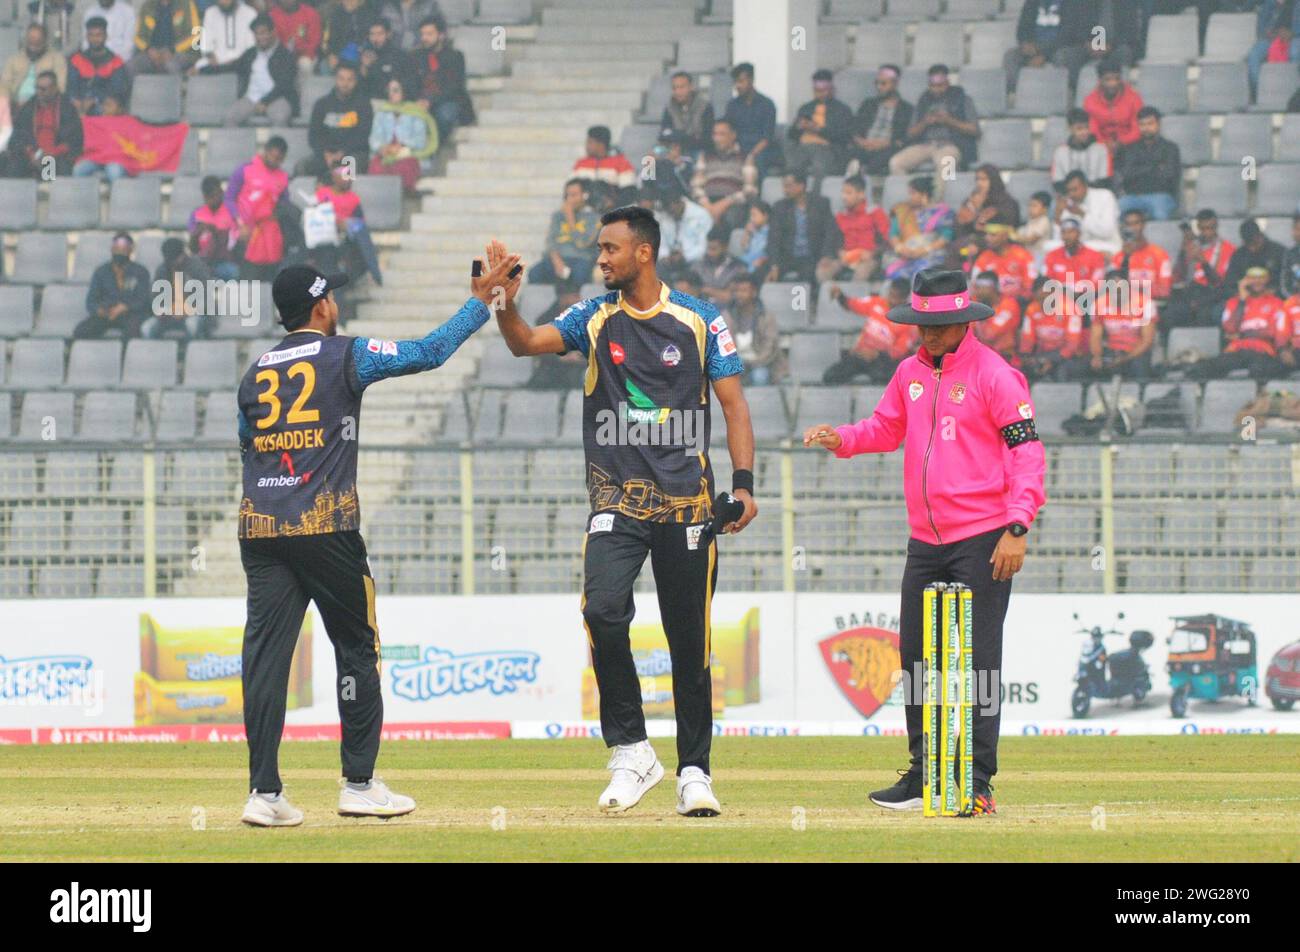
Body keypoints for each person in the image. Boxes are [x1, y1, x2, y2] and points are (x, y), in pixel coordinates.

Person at [235, 250, 520, 826]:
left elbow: (248, 442)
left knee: (265, 659)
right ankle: (359, 784)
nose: (336, 305)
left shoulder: (255, 370)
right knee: (357, 649)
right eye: (331, 298)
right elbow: (428, 353)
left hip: (261, 527)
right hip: (327, 527)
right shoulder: (346, 354)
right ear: (320, 307)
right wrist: (483, 301)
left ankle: (264, 794)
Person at [489, 207, 757, 818]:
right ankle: (633, 750)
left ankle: (695, 771)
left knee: (689, 643)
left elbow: (735, 406)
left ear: (644, 253)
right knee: (603, 610)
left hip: (689, 504)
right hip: (617, 500)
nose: (600, 258)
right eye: (598, 248)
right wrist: (502, 300)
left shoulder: (699, 319)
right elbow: (525, 343)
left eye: (610, 248)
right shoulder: (593, 316)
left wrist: (742, 485)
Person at [804, 268, 1045, 816]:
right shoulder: (909, 372)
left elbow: (1026, 454)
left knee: (978, 662)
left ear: (964, 320)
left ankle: (977, 782)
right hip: (925, 540)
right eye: (922, 324)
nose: (929, 335)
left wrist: (1017, 525)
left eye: (940, 325)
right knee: (915, 661)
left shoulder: (996, 375)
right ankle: (924, 774)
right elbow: (886, 428)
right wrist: (842, 438)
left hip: (984, 536)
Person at [1188, 267, 1289, 381]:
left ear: (1267, 280)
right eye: (1252, 278)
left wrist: (1242, 335)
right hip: (1236, 350)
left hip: (1262, 351)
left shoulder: (1277, 303)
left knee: (1260, 369)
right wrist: (1242, 300)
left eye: (1261, 278)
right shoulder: (1233, 302)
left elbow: (1272, 333)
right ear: (1245, 281)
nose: (1257, 281)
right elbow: (1230, 329)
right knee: (1204, 368)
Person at [889, 64, 979, 179]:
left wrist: (949, 121)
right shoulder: (923, 101)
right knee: (895, 163)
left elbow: (975, 130)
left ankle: (944, 197)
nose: (936, 89)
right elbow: (910, 133)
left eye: (940, 85)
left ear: (948, 82)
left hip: (952, 145)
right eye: (933, 86)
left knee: (947, 165)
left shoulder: (963, 99)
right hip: (925, 145)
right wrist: (925, 122)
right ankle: (914, 196)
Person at [821, 278, 916, 384]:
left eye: (897, 298)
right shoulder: (876, 302)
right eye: (891, 295)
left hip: (882, 362)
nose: (892, 300)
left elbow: (899, 352)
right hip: (860, 354)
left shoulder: (909, 322)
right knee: (830, 376)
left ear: (905, 298)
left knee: (884, 380)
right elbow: (852, 304)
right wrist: (840, 296)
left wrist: (877, 354)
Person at [225, 136, 290, 280]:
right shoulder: (245, 170)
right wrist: (240, 224)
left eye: (279, 159)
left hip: (269, 237)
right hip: (245, 234)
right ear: (265, 151)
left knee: (268, 280)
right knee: (249, 281)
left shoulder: (283, 177)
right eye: (273, 156)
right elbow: (229, 199)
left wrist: (277, 215)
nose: (275, 161)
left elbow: (285, 204)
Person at [217, 15, 300, 127]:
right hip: (251, 98)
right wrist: (200, 69)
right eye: (257, 34)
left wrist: (265, 101)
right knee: (228, 118)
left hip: (277, 98)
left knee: (280, 117)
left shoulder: (285, 55)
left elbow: (285, 84)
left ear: (273, 32)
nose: (260, 37)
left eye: (264, 33)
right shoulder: (250, 54)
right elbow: (230, 67)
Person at [766, 171, 842, 284]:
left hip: (811, 256)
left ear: (801, 186)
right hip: (787, 256)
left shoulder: (821, 204)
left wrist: (826, 255)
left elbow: (830, 232)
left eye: (788, 186)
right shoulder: (779, 207)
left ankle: (800, 302)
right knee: (762, 273)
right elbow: (773, 238)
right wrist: (774, 264)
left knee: (805, 279)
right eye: (784, 186)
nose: (785, 190)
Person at [1082, 267, 1157, 380]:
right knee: (1087, 365)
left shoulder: (1145, 304)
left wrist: (1125, 358)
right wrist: (1097, 356)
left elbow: (1147, 341)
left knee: (1139, 365)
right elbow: (1095, 337)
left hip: (1135, 351)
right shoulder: (1098, 304)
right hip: (1111, 350)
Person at [1165, 209, 1236, 329]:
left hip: (1213, 294)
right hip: (1191, 290)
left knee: (1204, 314)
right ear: (1198, 227)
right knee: (1171, 313)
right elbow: (1178, 277)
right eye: (1203, 229)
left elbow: (1220, 284)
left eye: (1211, 228)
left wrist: (1203, 262)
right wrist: (1183, 252)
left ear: (1216, 226)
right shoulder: (1191, 245)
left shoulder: (1227, 249)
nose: (1207, 232)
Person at [4, 70, 81, 178]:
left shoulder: (67, 108)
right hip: (31, 153)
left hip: (56, 154)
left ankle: (47, 192)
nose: (39, 92)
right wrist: (32, 154)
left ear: (54, 88)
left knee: (51, 166)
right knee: (13, 166)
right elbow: (18, 135)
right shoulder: (28, 108)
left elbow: (74, 138)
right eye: (37, 88)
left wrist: (51, 153)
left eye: (43, 89)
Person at [785, 68, 854, 190]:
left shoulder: (842, 110)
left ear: (831, 89)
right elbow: (791, 135)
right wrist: (799, 127)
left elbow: (844, 136)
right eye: (817, 91)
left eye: (824, 90)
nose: (820, 94)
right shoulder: (806, 108)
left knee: (819, 167)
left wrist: (818, 129)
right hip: (803, 147)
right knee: (792, 166)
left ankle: (814, 202)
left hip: (826, 148)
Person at [74, 232, 152, 339]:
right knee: (82, 331)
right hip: (107, 314)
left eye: (123, 249)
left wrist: (125, 307)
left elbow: (143, 300)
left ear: (130, 250)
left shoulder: (140, 271)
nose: (119, 252)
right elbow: (91, 301)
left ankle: (127, 355)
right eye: (117, 249)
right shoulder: (101, 272)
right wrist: (100, 310)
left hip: (130, 314)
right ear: (112, 249)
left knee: (134, 331)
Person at [412, 14, 473, 145]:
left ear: (441, 35)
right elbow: (411, 83)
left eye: (429, 34)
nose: (424, 38)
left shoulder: (455, 56)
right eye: (422, 34)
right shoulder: (415, 56)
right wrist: (419, 100)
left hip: (447, 100)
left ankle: (432, 149)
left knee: (444, 115)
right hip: (422, 100)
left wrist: (431, 101)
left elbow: (455, 87)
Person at [368, 76, 437, 192]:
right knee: (377, 167)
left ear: (404, 91)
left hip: (409, 154)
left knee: (403, 167)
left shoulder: (416, 112)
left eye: (395, 90)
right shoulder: (382, 112)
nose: (391, 94)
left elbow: (420, 141)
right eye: (389, 91)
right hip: (386, 153)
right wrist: (383, 147)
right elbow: (374, 138)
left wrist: (401, 145)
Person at [690, 118, 756, 232]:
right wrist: (707, 205)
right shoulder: (705, 156)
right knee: (694, 217)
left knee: (730, 218)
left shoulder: (746, 157)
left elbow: (750, 190)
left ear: (733, 135)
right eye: (715, 134)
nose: (717, 139)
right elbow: (695, 185)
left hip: (732, 204)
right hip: (707, 202)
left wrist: (724, 203)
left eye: (722, 134)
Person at [1114, 107, 1180, 221]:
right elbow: (1127, 175)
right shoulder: (1129, 149)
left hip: (1161, 195)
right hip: (1134, 196)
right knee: (1117, 210)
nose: (1146, 128)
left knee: (1160, 214)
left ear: (1158, 124)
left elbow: (1169, 176)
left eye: (1150, 124)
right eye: (1142, 124)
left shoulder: (1170, 148)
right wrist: (1155, 166)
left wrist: (1140, 170)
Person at [143, 236, 215, 339]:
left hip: (194, 314)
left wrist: (187, 310)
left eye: (175, 259)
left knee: (192, 325)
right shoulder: (162, 270)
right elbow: (155, 296)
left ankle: (191, 354)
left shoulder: (197, 267)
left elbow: (206, 298)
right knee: (147, 328)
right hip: (168, 317)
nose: (172, 263)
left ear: (182, 255)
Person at [532, 177, 599, 285]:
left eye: (573, 195)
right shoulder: (558, 216)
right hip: (557, 258)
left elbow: (582, 243)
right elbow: (550, 241)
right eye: (567, 195)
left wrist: (570, 218)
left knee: (579, 275)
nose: (569, 199)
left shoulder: (594, 218)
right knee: (534, 273)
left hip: (580, 259)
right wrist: (557, 261)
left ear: (585, 196)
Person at [885, 175, 953, 280]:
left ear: (924, 195)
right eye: (909, 193)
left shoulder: (942, 213)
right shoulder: (904, 211)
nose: (910, 197)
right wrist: (900, 248)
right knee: (894, 272)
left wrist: (924, 249)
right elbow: (893, 233)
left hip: (930, 253)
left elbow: (946, 237)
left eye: (913, 193)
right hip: (906, 255)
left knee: (922, 274)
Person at [525, 276, 587, 390]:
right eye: (573, 296)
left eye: (577, 296)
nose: (577, 300)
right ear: (562, 298)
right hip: (554, 366)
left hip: (580, 366)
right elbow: (540, 350)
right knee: (542, 380)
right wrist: (562, 358)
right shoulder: (544, 320)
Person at [851, 64, 913, 177]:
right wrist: (862, 141)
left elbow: (906, 138)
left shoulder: (906, 109)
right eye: (877, 83)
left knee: (884, 158)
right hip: (864, 145)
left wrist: (885, 144)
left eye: (883, 84)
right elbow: (854, 128)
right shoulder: (868, 104)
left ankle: (864, 174)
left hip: (888, 147)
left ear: (895, 84)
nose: (879, 87)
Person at [1018, 274, 1084, 381]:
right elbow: (1027, 340)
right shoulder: (1032, 309)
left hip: (1067, 357)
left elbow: (1072, 345)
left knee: (1060, 371)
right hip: (1042, 355)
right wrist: (1026, 358)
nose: (1044, 303)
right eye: (1040, 300)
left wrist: (1052, 361)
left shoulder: (1071, 308)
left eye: (1046, 298)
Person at [308, 63, 373, 169]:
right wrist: (325, 153)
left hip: (353, 153)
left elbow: (363, 136)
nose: (345, 83)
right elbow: (314, 135)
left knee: (349, 168)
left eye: (350, 79)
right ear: (335, 79)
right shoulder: (322, 104)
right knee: (302, 167)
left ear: (355, 81)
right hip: (325, 154)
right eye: (341, 79)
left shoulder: (363, 105)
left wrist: (343, 153)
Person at [722, 61, 777, 179]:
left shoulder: (767, 104)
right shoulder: (732, 105)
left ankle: (757, 196)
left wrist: (751, 155)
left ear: (751, 80)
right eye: (735, 82)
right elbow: (728, 130)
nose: (738, 86)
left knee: (757, 162)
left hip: (759, 149)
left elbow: (767, 138)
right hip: (738, 147)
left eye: (741, 81)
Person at [726, 271, 782, 385]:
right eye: (737, 291)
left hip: (761, 364)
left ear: (754, 292)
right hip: (737, 362)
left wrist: (752, 363)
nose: (739, 295)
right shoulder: (727, 316)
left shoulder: (766, 317)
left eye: (744, 291)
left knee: (760, 376)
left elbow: (770, 347)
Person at [67, 17, 129, 116]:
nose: (95, 39)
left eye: (98, 35)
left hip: (104, 107)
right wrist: (78, 102)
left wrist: (95, 99)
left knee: (113, 106)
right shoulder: (76, 60)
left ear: (106, 36)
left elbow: (118, 92)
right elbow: (71, 88)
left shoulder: (116, 61)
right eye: (91, 35)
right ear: (86, 37)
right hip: (80, 107)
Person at [832, 174, 889, 281]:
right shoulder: (840, 215)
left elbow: (886, 240)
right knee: (824, 271)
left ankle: (854, 297)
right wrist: (839, 251)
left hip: (869, 258)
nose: (844, 197)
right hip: (846, 258)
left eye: (848, 193)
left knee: (862, 272)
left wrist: (872, 253)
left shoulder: (875, 213)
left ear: (861, 194)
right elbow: (834, 240)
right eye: (843, 193)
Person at [1053, 170, 1121, 256]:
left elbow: (1107, 231)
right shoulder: (1069, 204)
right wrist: (1057, 217)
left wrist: (1082, 214)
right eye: (1069, 191)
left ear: (1085, 186)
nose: (1072, 194)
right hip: (1079, 252)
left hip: (1106, 247)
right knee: (1052, 248)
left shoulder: (1105, 196)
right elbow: (1060, 239)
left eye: (1075, 189)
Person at [1082, 59, 1143, 154]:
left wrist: (1122, 142)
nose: (1113, 83)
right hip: (1100, 146)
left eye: (1117, 78)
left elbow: (1137, 128)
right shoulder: (1090, 101)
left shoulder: (1134, 98)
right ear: (1100, 80)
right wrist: (1105, 144)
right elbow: (1093, 130)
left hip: (1129, 145)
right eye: (1108, 79)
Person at [1112, 209, 1171, 305]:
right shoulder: (1118, 257)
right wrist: (1126, 258)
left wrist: (1133, 289)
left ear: (1143, 225)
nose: (1133, 228)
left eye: (1136, 223)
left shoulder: (1159, 254)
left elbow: (1165, 290)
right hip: (1126, 308)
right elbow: (1113, 289)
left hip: (1152, 306)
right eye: (1128, 224)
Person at [0, 24, 67, 107]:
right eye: (31, 38)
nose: (33, 42)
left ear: (45, 40)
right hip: (15, 104)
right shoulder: (14, 59)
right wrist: (8, 102)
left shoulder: (56, 59)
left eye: (38, 39)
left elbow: (61, 87)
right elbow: (4, 84)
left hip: (43, 105)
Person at [130, 0, 201, 77]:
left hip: (181, 52)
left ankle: (180, 88)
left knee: (170, 65)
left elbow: (195, 35)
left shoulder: (186, 4)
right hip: (152, 52)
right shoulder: (147, 6)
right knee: (131, 66)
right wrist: (148, 49)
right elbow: (137, 36)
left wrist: (173, 50)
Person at [954, 163, 1021, 245]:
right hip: (970, 243)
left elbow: (1008, 226)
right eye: (977, 179)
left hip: (997, 244)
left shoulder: (1007, 202)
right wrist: (975, 208)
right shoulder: (971, 200)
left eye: (984, 179)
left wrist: (980, 210)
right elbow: (960, 225)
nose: (979, 183)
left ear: (993, 180)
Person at [1050, 108, 1112, 194]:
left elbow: (1105, 180)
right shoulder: (1060, 152)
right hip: (1069, 195)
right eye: (1079, 129)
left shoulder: (1101, 149)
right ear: (1070, 129)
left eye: (1087, 127)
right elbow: (1057, 182)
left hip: (1094, 195)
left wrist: (1083, 193)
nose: (1084, 132)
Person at [190, 174, 240, 281]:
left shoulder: (231, 212)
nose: (212, 200)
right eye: (208, 197)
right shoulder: (197, 214)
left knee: (235, 272)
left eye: (215, 195)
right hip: (203, 262)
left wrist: (216, 232)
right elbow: (192, 247)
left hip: (225, 261)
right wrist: (198, 232)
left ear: (221, 192)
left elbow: (236, 241)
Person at [1247, 0, 1300, 100]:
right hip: (1272, 38)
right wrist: (1272, 34)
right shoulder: (1269, 4)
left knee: (1295, 52)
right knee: (1254, 55)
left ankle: (1293, 95)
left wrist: (1292, 33)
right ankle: (1259, 93)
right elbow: (1260, 29)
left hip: (1295, 37)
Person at [1042, 216, 1106, 296]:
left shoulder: (1095, 256)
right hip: (1058, 300)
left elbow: (1097, 283)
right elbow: (1047, 281)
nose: (1067, 236)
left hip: (1086, 300)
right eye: (1063, 232)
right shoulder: (1052, 256)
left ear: (1079, 233)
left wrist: (1078, 291)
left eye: (1071, 232)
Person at [573, 124, 636, 203]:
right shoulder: (581, 163)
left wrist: (612, 205)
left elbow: (628, 192)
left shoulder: (621, 163)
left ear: (601, 145)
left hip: (610, 210)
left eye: (590, 142)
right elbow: (570, 189)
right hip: (582, 209)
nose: (586, 146)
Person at [971, 270, 1022, 361]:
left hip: (1005, 358)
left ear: (993, 288)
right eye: (976, 288)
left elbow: (990, 334)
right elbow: (969, 334)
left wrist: (979, 315)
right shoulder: (976, 303)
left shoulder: (1009, 305)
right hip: (981, 358)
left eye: (981, 288)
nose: (977, 292)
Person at [657, 190, 713, 273]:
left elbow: (704, 246)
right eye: (668, 211)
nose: (670, 214)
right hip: (671, 260)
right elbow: (661, 242)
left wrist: (685, 256)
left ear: (679, 203)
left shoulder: (701, 216)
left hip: (693, 260)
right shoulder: (665, 215)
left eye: (672, 211)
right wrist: (664, 256)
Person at [1225, 219, 1287, 293]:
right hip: (1247, 298)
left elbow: (1287, 280)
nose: (1253, 249)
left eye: (1255, 243)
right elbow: (1230, 282)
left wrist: (1274, 290)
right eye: (1249, 245)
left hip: (1274, 297)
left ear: (1260, 236)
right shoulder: (1239, 255)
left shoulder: (1278, 252)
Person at [195, 0, 257, 72]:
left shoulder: (250, 13)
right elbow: (206, 45)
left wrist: (235, 62)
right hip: (217, 63)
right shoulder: (210, 13)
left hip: (242, 63)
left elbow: (252, 47)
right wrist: (211, 57)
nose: (223, 2)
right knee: (197, 68)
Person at [660, 70, 713, 156]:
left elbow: (706, 138)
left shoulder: (705, 106)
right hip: (673, 150)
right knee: (654, 155)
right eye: (674, 88)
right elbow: (664, 134)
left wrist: (679, 137)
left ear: (691, 87)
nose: (677, 92)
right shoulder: (669, 107)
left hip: (698, 150)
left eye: (681, 87)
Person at [358, 18, 413, 99]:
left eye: (380, 34)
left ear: (388, 34)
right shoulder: (364, 55)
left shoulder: (399, 55)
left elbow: (409, 83)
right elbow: (362, 88)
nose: (375, 38)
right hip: (371, 101)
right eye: (372, 34)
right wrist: (364, 67)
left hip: (395, 101)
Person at [323, 0, 378, 70]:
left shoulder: (369, 14)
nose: (348, 1)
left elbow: (373, 38)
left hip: (363, 51)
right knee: (325, 67)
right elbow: (331, 39)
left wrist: (368, 52)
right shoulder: (336, 15)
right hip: (341, 51)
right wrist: (331, 54)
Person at [697, 228, 746, 304]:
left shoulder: (738, 268)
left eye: (714, 249)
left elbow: (731, 297)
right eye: (708, 248)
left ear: (725, 247)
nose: (710, 253)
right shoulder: (700, 265)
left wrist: (707, 290)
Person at [270, 0, 322, 68]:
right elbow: (272, 42)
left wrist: (301, 53)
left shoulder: (310, 13)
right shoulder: (272, 15)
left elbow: (314, 41)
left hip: (305, 56)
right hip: (280, 56)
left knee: (305, 64)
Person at [1011, 190, 1053, 261]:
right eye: (1029, 205)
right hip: (1029, 255)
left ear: (1045, 209)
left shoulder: (1044, 221)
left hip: (1039, 256)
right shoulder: (1031, 220)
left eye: (1034, 206)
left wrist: (1014, 237)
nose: (1030, 208)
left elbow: (1031, 240)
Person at [734, 199, 770, 273]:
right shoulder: (753, 231)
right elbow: (744, 247)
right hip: (747, 259)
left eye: (754, 215)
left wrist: (763, 260)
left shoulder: (771, 232)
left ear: (765, 216)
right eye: (750, 215)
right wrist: (747, 233)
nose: (751, 218)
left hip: (759, 261)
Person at [1282, 213, 1300, 298]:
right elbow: (1285, 283)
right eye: (1296, 229)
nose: (1297, 232)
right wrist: (1294, 298)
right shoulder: (1290, 253)